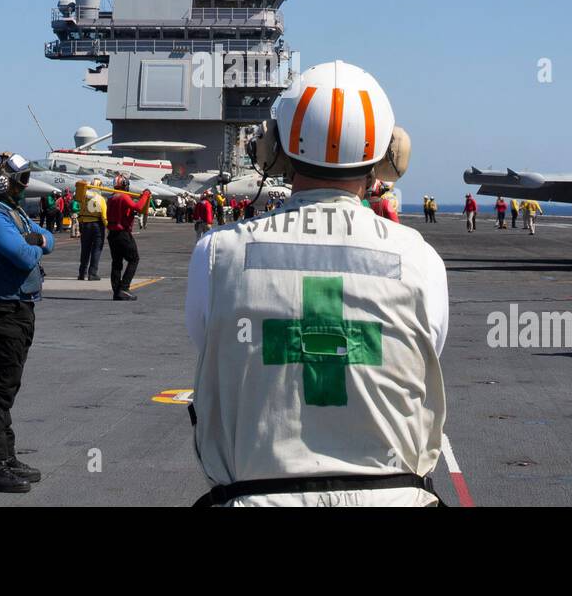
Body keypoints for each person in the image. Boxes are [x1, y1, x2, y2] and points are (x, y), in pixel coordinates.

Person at [187, 60, 447, 506]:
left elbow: (210, 345)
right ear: (390, 156)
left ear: (271, 149)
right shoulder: (420, 258)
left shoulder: (218, 254)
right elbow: (426, 353)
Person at [0, 152, 55, 493]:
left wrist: (36, 241)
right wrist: (34, 244)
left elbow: (48, 238)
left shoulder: (12, 213)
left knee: (8, 385)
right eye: (22, 180)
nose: (26, 186)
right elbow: (22, 256)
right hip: (3, 309)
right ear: (3, 181)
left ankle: (4, 454)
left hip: (20, 308)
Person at [106, 175, 151, 301]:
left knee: (116, 263)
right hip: (122, 234)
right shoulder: (123, 196)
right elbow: (138, 207)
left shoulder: (111, 198)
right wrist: (146, 195)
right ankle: (124, 288)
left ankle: (116, 292)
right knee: (134, 259)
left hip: (112, 234)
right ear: (125, 185)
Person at [75, 177, 107, 281]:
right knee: (96, 249)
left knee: (85, 249)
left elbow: (79, 209)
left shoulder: (84, 197)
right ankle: (92, 274)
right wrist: (109, 227)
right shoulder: (101, 199)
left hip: (85, 225)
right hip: (97, 225)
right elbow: (104, 216)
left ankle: (81, 273)